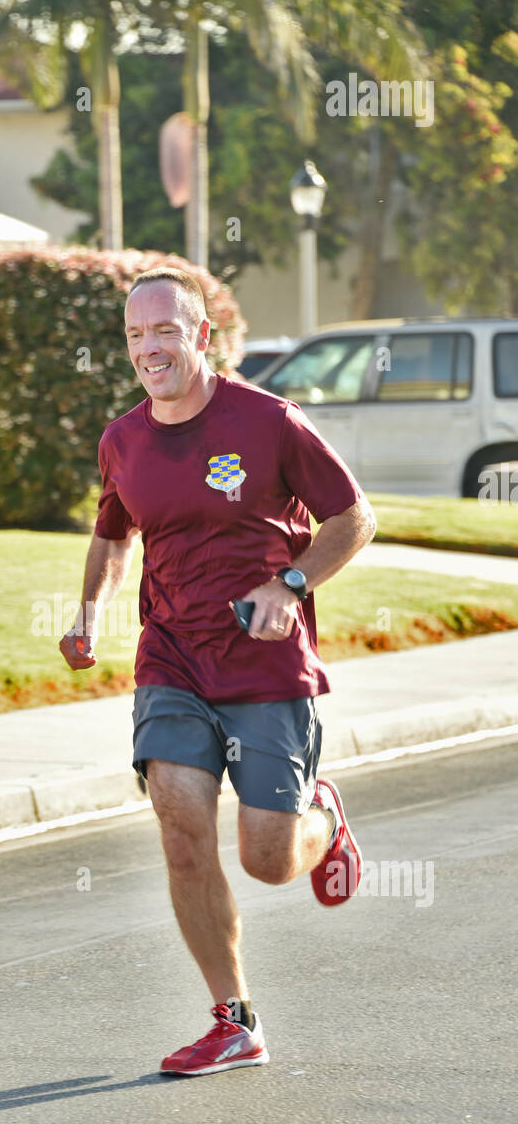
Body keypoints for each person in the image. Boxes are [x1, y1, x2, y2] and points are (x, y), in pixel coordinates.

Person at [59, 266, 377, 1076]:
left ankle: (321, 819)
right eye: (134, 335)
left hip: (264, 663)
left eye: (163, 330)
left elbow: (352, 517)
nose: (147, 348)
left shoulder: (269, 423)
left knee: (266, 858)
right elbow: (112, 531)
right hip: (170, 658)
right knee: (178, 827)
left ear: (201, 336)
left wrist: (290, 583)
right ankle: (233, 1020)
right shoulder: (123, 439)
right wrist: (92, 609)